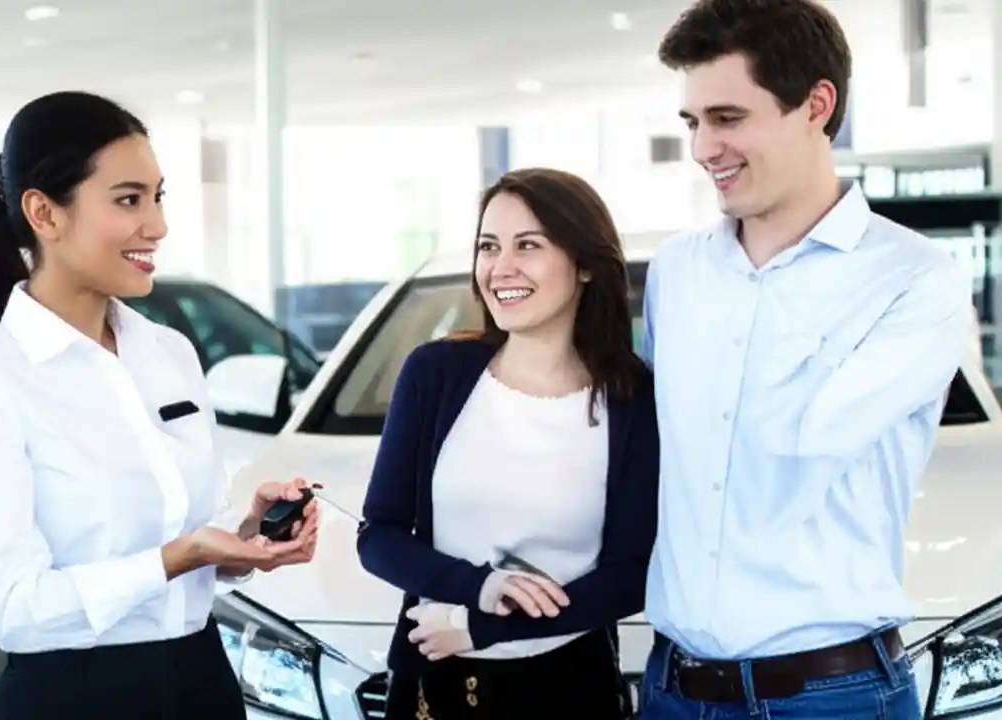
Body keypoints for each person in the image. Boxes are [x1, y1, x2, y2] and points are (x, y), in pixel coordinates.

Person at [0, 90, 319, 720]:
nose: (155, 225)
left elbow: (193, 537)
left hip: (203, 681)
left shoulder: (170, 354)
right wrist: (180, 557)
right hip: (74, 695)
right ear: (45, 215)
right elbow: (15, 610)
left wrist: (245, 537)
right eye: (128, 200)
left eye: (158, 197)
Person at [639, 1, 974, 718]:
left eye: (727, 118)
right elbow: (653, 452)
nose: (703, 149)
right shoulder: (677, 274)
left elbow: (799, 441)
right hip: (673, 689)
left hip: (831, 697)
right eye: (692, 123)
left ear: (817, 104)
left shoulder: (913, 279)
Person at [357, 168, 659, 718]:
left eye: (529, 246)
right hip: (435, 686)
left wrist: (485, 624)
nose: (501, 268)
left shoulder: (632, 399)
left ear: (586, 265)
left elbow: (632, 574)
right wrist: (479, 586)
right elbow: (379, 536)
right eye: (488, 247)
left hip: (569, 689)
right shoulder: (436, 374)